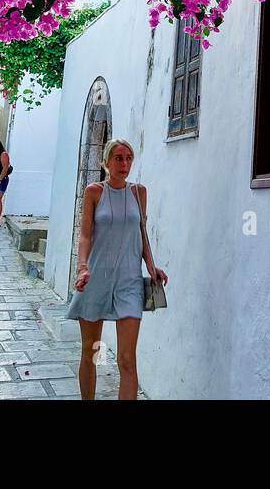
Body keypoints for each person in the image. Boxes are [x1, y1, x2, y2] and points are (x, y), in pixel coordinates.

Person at [65, 139, 167, 401]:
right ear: (107, 162)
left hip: (129, 281)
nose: (124, 164)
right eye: (119, 158)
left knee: (127, 358)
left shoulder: (139, 192)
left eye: (129, 158)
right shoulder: (93, 192)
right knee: (91, 350)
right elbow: (85, 236)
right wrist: (82, 268)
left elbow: (142, 233)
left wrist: (152, 267)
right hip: (95, 277)